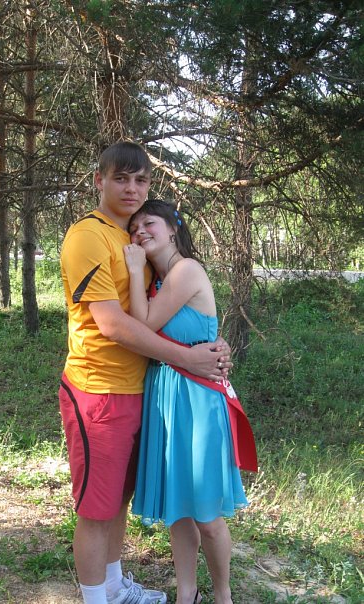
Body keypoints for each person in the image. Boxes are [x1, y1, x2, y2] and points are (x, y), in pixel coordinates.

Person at [59, 142, 232, 604]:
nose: (131, 189)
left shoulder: (132, 240)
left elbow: (176, 311)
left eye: (141, 180)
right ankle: (98, 598)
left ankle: (114, 586)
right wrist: (187, 358)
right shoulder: (88, 236)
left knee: (116, 498)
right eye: (120, 178)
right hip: (99, 387)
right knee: (97, 507)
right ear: (99, 181)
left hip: (143, 389)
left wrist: (211, 344)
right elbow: (114, 324)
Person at [124, 199, 258, 604]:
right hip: (165, 394)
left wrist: (134, 269)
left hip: (197, 399)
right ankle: (187, 594)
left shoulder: (186, 270)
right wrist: (139, 273)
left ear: (173, 228)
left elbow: (143, 323)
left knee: (207, 515)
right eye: (134, 227)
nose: (140, 231)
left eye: (149, 223)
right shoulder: (157, 280)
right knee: (180, 508)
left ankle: (223, 596)